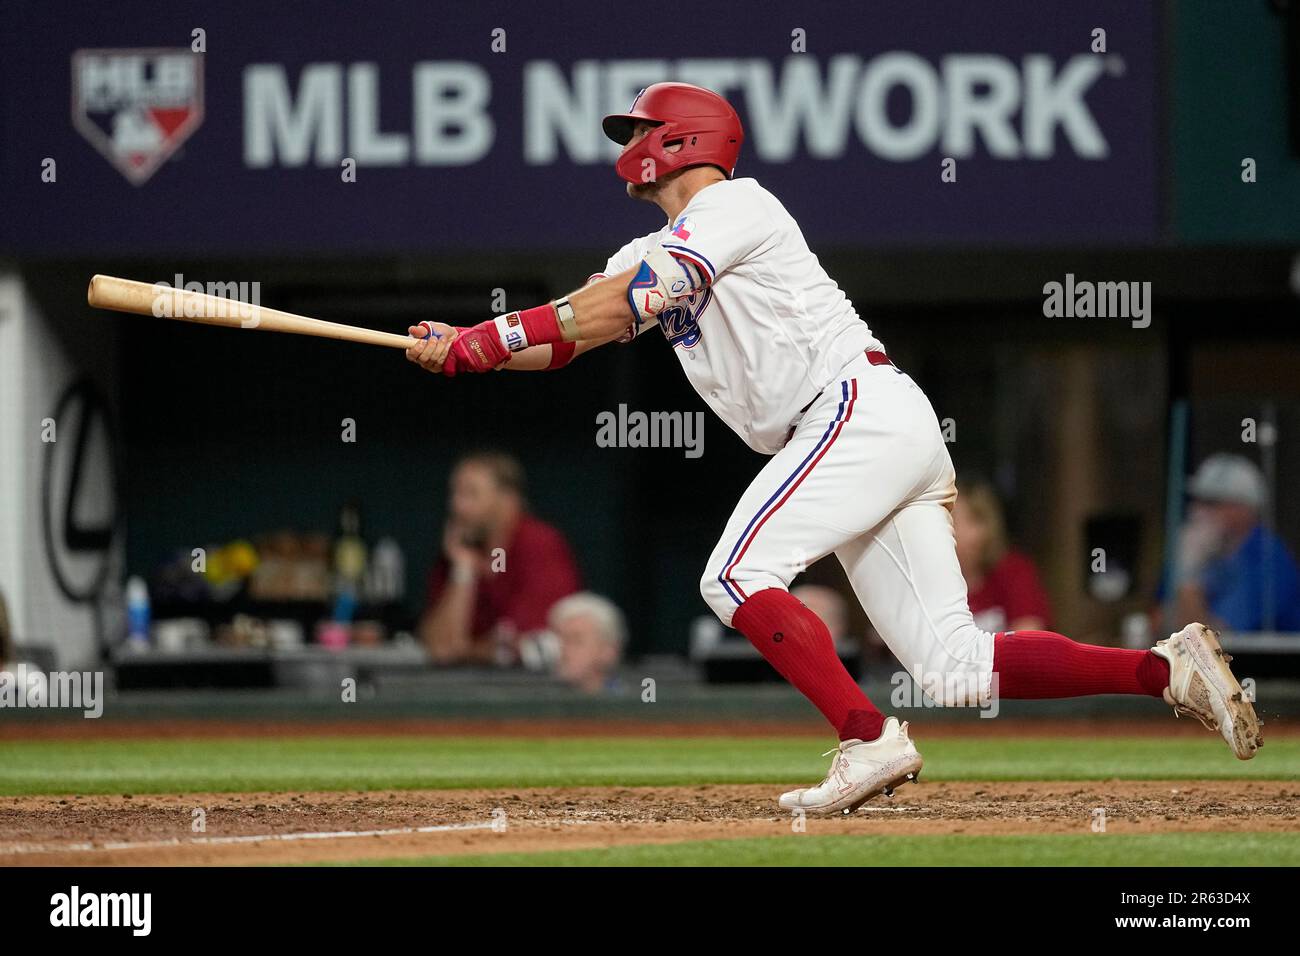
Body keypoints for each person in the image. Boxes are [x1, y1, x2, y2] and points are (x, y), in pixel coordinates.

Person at [405, 82, 1262, 814]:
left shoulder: (734, 205)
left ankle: (867, 739)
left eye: (636, 131)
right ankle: (1165, 672)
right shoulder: (646, 246)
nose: (626, 148)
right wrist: (465, 346)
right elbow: (567, 339)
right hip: (867, 429)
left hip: (851, 411)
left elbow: (620, 305)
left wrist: (486, 336)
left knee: (733, 574)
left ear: (678, 138)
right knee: (953, 667)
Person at [419, 451, 581, 665]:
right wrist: (463, 571)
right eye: (455, 494)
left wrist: (465, 650)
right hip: (468, 689)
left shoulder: (537, 544)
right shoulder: (459, 554)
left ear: (508, 499)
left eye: (470, 494)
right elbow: (439, 646)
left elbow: (523, 646)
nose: (457, 506)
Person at [1172, 453, 1300, 632]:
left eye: (1212, 502)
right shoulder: (1202, 550)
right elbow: (1157, 623)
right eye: (1196, 499)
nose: (1198, 510)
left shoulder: (1268, 560)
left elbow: (1208, 643)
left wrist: (1188, 578)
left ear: (1244, 509)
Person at [953, 479, 1052, 633]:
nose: (954, 531)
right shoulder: (928, 584)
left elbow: (1028, 638)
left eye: (971, 521)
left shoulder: (1014, 571)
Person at [548, 592, 626, 694]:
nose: (561, 648)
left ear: (608, 650)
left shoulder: (634, 704)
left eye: (575, 640)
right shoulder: (541, 701)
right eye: (558, 640)